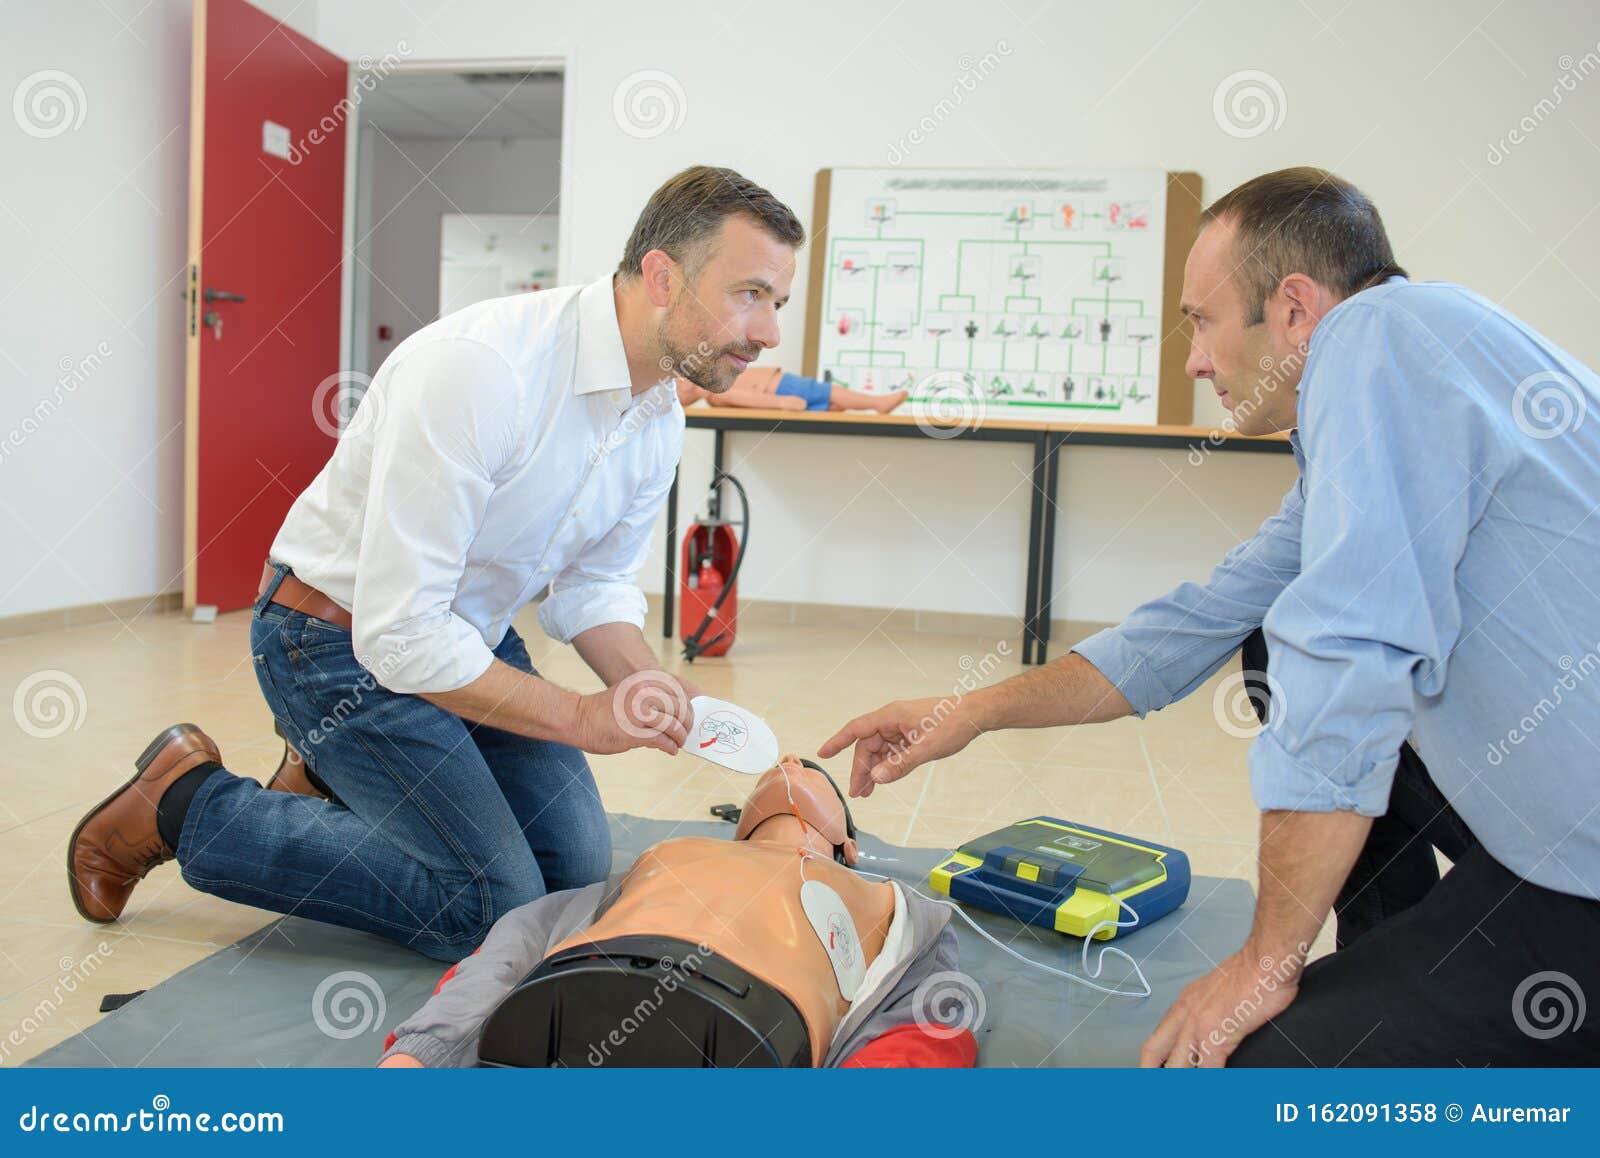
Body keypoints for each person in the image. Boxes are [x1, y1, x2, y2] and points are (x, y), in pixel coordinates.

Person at [819, 167, 1600, 1067]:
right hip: (1545, 806)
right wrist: (969, 712)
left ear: (1296, 309)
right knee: (1266, 628)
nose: (1194, 358)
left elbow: (1347, 667)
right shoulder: (1417, 355)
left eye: (1202, 320)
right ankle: (1395, 943)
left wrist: (1265, 964)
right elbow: (1188, 629)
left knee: (1257, 1068)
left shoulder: (1375, 344)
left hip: (1576, 870)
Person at [68, 166, 805, 963]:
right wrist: (580, 718)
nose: (767, 332)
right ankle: (185, 804)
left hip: (463, 635)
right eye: (750, 294)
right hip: (331, 643)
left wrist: (645, 684)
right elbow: (399, 637)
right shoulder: (483, 369)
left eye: (778, 304)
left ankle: (329, 783)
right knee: (492, 910)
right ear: (663, 275)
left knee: (573, 875)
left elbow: (591, 585)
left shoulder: (657, 415)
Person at [377, 757, 976, 1068]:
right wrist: (424, 1051)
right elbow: (525, 934)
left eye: (811, 773)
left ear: (849, 845)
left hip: (755, 1014)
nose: (790, 764)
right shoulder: (664, 858)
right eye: (779, 771)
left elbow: (925, 1022)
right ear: (738, 831)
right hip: (587, 980)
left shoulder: (896, 905)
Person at [676, 365, 906, 413]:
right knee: (830, 395)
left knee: (830, 399)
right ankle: (877, 403)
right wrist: (781, 403)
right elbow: (752, 400)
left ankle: (874, 403)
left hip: (780, 384)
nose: (685, 380)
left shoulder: (716, 383)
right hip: (781, 389)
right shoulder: (717, 393)